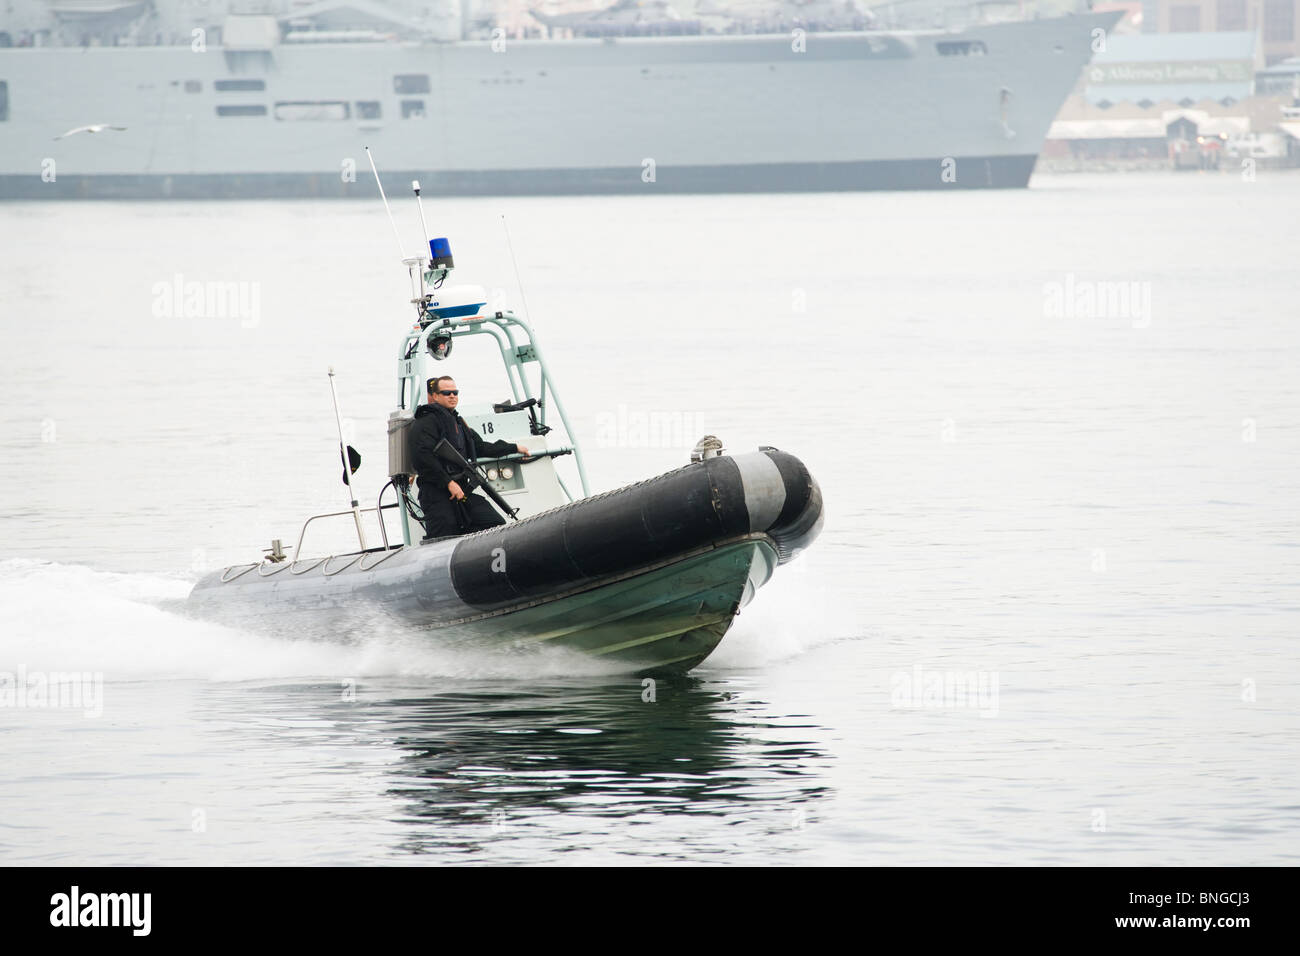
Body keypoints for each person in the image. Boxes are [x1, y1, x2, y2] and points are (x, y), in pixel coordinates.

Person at [409, 375, 529, 539]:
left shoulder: (458, 423)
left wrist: (514, 447)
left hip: (461, 490)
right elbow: (422, 457)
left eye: (455, 392)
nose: (452, 396)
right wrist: (448, 482)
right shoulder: (426, 421)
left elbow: (480, 447)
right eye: (446, 393)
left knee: (493, 521)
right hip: (436, 492)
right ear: (435, 396)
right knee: (443, 534)